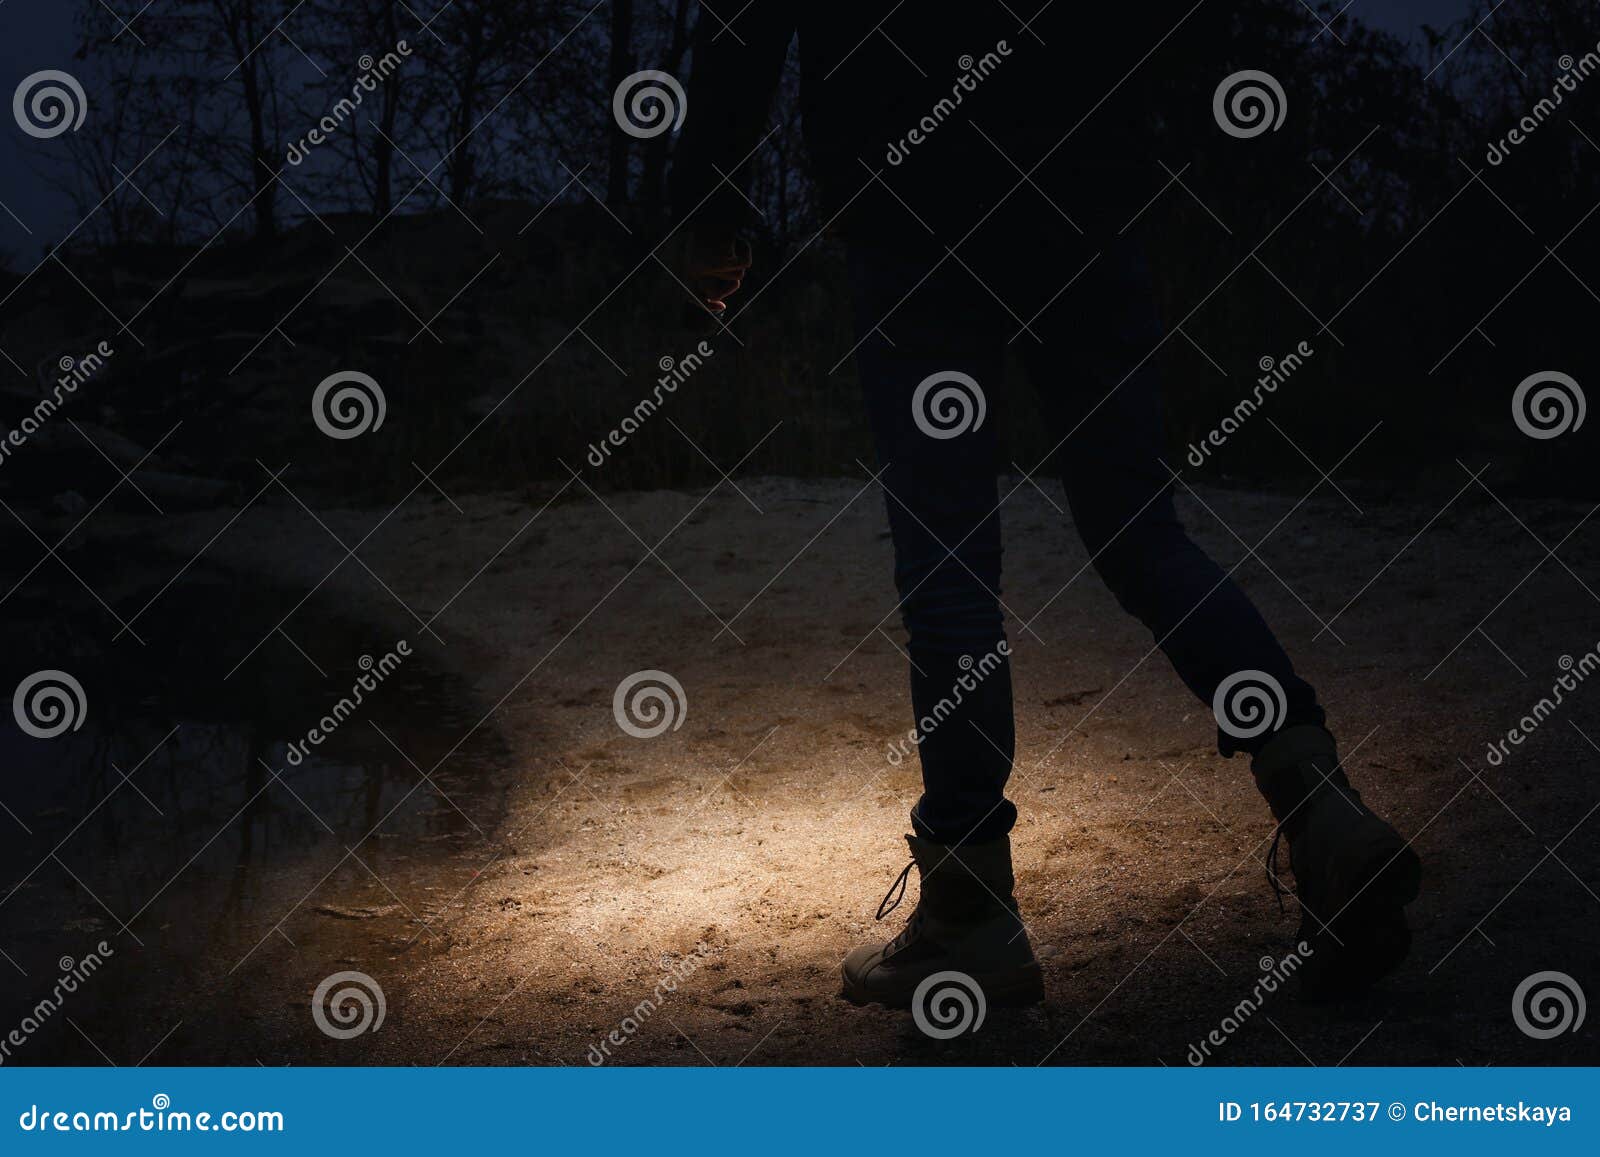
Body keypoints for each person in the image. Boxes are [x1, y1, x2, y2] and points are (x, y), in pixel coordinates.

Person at [671, 2, 1420, 1005]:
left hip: (915, 202)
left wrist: (709, 201)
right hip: (1080, 180)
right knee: (1140, 528)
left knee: (947, 558)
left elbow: (744, 27)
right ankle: (1319, 800)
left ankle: (971, 910)